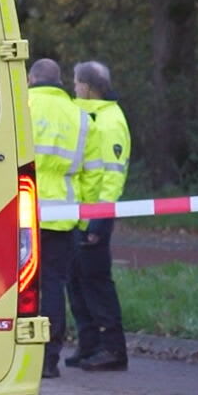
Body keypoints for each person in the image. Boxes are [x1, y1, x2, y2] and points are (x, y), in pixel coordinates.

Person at [67, 60, 132, 372]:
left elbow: (112, 176)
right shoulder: (89, 116)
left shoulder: (110, 122)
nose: (73, 87)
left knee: (96, 284)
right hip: (78, 215)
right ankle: (90, 345)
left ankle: (113, 349)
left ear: (88, 87)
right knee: (78, 284)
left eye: (77, 82)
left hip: (95, 216)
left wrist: (100, 220)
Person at [28, 57, 90, 379]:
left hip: (22, 210)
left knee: (20, 287)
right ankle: (49, 359)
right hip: (64, 213)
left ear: (31, 78)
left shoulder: (21, 105)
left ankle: (20, 357)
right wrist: (85, 216)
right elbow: (87, 174)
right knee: (54, 286)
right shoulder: (79, 115)